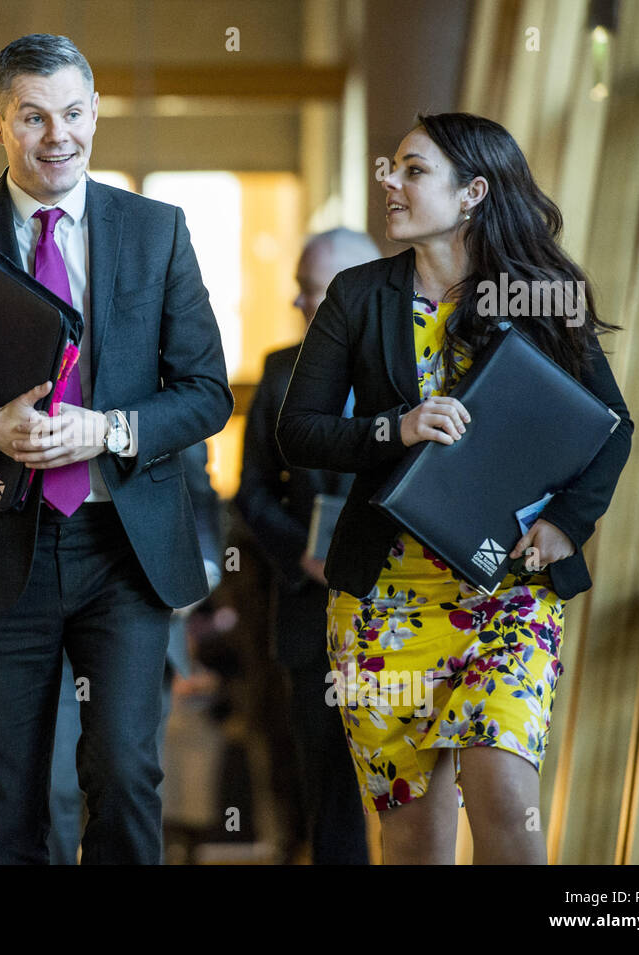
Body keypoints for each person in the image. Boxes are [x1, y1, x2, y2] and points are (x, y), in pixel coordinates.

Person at [0, 33, 233, 864]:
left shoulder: (156, 230)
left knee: (126, 775)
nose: (57, 135)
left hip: (122, 546)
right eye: (34, 117)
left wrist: (108, 428)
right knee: (6, 794)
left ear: (96, 112)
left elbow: (207, 390)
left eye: (72, 113)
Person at [276, 112, 633, 865]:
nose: (391, 183)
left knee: (504, 786)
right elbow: (298, 430)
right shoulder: (356, 295)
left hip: (507, 588)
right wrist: (394, 429)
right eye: (392, 168)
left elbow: (612, 425)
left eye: (412, 170)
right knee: (414, 839)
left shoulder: (542, 294)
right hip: (383, 599)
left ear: (472, 193)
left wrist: (570, 520)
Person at [237, 228, 380, 864]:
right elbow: (253, 492)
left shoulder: (419, 369)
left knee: (420, 783)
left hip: (406, 604)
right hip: (312, 610)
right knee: (329, 789)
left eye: (313, 295)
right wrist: (303, 555)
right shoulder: (278, 373)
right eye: (299, 293)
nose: (299, 307)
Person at [46, 442, 222, 864]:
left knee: (128, 786)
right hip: (44, 616)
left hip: (140, 616)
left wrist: (200, 574)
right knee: (53, 791)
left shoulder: (160, 388)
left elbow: (199, 497)